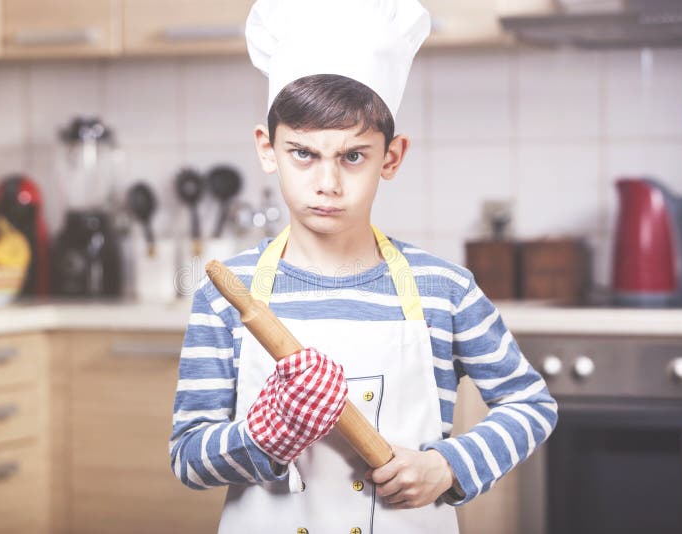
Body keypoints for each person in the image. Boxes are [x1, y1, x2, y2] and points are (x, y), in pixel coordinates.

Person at [169, 1, 558, 532]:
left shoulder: (444, 289)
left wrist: (447, 466)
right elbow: (188, 457)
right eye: (303, 153)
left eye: (353, 156)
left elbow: (530, 404)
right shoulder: (226, 295)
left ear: (391, 157)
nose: (327, 184)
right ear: (267, 148)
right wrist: (268, 433)